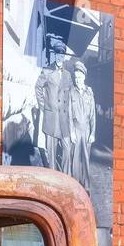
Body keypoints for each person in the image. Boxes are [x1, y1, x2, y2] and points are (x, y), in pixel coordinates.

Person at [34, 37, 70, 172]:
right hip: (51, 118)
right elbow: (38, 88)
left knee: (68, 149)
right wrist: (44, 106)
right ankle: (53, 177)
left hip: (64, 120)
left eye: (62, 54)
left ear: (64, 56)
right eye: (58, 54)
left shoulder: (68, 75)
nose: (60, 57)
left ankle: (66, 177)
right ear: (54, 55)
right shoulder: (47, 71)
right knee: (52, 152)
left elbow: (70, 94)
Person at [66, 60, 96, 191]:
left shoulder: (90, 93)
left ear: (84, 77)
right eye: (75, 77)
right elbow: (69, 114)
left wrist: (93, 133)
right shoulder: (71, 92)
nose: (77, 80)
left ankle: (86, 187)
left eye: (79, 77)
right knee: (75, 159)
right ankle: (75, 186)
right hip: (76, 130)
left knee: (86, 159)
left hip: (87, 130)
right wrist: (72, 131)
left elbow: (93, 115)